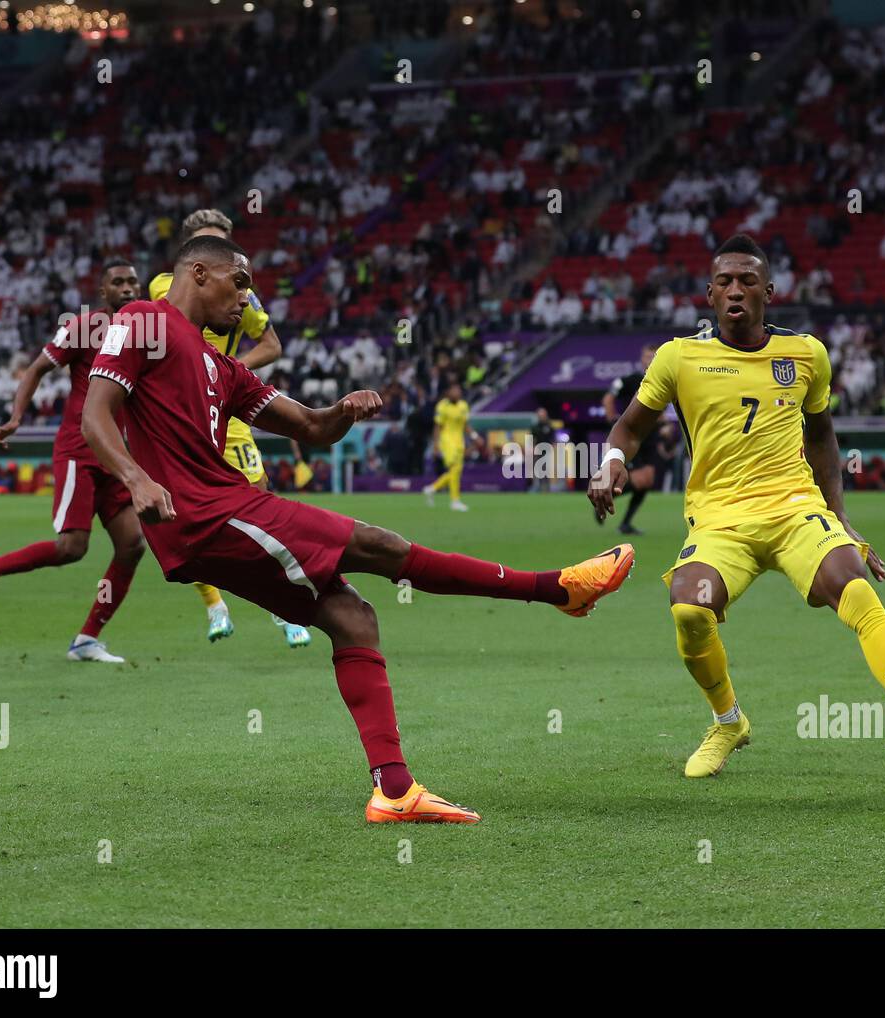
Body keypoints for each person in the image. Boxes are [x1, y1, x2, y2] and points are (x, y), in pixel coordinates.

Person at [82, 234, 634, 823]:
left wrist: (342, 412)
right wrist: (136, 479)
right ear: (198, 272)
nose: (248, 298)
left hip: (216, 514)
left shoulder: (223, 367)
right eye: (239, 282)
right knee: (380, 545)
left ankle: (394, 791)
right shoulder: (145, 320)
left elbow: (311, 429)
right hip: (205, 512)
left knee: (353, 618)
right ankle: (556, 589)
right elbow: (96, 414)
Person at [588, 234, 885, 779]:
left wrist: (839, 519)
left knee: (853, 583)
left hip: (794, 511)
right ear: (709, 295)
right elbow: (630, 426)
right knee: (690, 606)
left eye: (746, 280)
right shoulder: (679, 357)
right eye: (724, 281)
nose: (735, 290)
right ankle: (728, 722)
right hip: (720, 519)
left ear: (769, 291)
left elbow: (823, 440)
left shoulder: (806, 353)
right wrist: (613, 460)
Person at [0, 260, 146, 663]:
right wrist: (17, 416)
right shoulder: (85, 327)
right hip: (80, 449)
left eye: (132, 281)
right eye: (117, 282)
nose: (126, 288)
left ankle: (87, 638)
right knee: (72, 547)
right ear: (103, 292)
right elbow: (36, 369)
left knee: (132, 544)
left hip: (116, 456)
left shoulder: (149, 333)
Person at [149, 208, 310, 646]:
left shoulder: (243, 297)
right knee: (184, 516)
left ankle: (282, 606)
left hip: (229, 418)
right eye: (207, 242)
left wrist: (225, 371)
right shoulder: (161, 289)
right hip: (180, 418)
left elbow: (271, 345)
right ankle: (214, 606)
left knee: (260, 504)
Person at [599, 344, 660, 535]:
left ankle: (625, 523)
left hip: (652, 434)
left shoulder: (662, 379)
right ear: (641, 359)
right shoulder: (631, 380)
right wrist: (613, 420)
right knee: (642, 480)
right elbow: (608, 398)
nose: (650, 360)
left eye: (654, 356)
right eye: (647, 357)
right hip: (634, 434)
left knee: (648, 480)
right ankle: (603, 496)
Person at [422, 378, 473, 511]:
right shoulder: (442, 406)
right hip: (447, 440)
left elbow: (465, 425)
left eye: (458, 390)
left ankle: (432, 488)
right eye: (454, 390)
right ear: (448, 392)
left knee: (456, 471)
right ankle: (455, 501)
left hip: (459, 441)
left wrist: (475, 436)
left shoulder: (463, 406)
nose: (457, 392)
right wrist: (435, 445)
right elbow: (438, 426)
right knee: (455, 469)